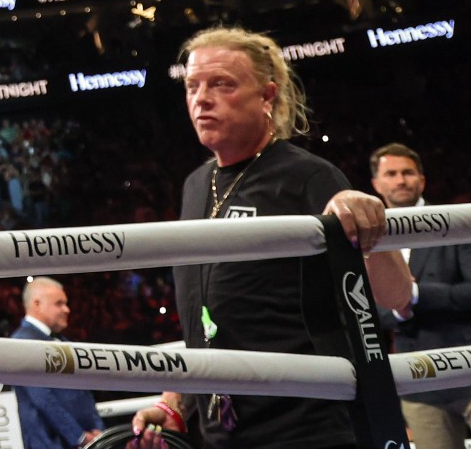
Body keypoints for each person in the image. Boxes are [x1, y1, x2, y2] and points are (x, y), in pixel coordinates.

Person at [131, 26, 415, 448]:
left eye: (222, 84)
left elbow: (397, 295)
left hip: (308, 427)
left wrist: (366, 226)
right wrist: (176, 402)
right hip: (225, 433)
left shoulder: (308, 176)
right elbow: (205, 318)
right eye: (192, 86)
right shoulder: (195, 184)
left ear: (267, 96)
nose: (201, 98)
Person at [372, 142, 471, 447]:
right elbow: (365, 307)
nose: (400, 180)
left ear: (422, 180)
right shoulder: (370, 238)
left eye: (407, 173)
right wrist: (399, 308)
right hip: (419, 381)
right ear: (376, 183)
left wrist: (415, 295)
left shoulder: (454, 223)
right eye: (391, 174)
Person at [10, 278, 101, 448]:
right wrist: (79, 437)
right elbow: (43, 399)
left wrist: (97, 430)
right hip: (51, 443)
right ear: (37, 304)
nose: (67, 309)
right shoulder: (22, 342)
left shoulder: (60, 340)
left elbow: (82, 391)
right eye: (59, 303)